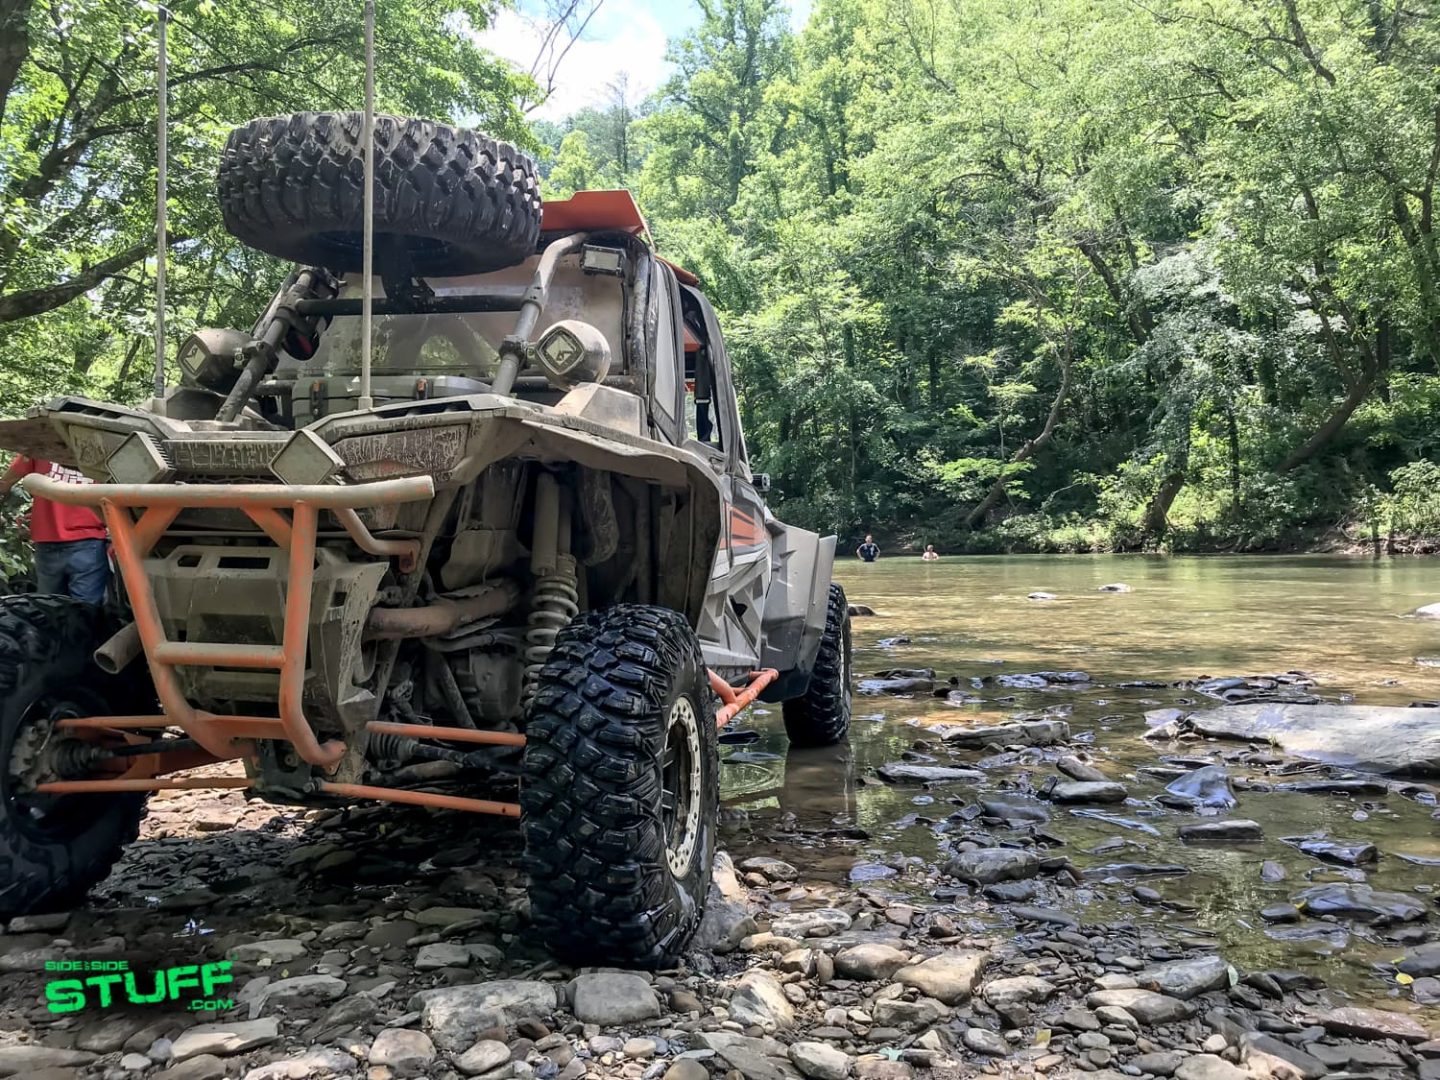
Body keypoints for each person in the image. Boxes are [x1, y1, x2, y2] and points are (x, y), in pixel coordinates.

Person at [0, 456, 109, 604]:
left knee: (50, 608)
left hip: (51, 541)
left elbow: (4, 483)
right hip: (88, 541)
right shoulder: (99, 447)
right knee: (87, 611)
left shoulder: (39, 444)